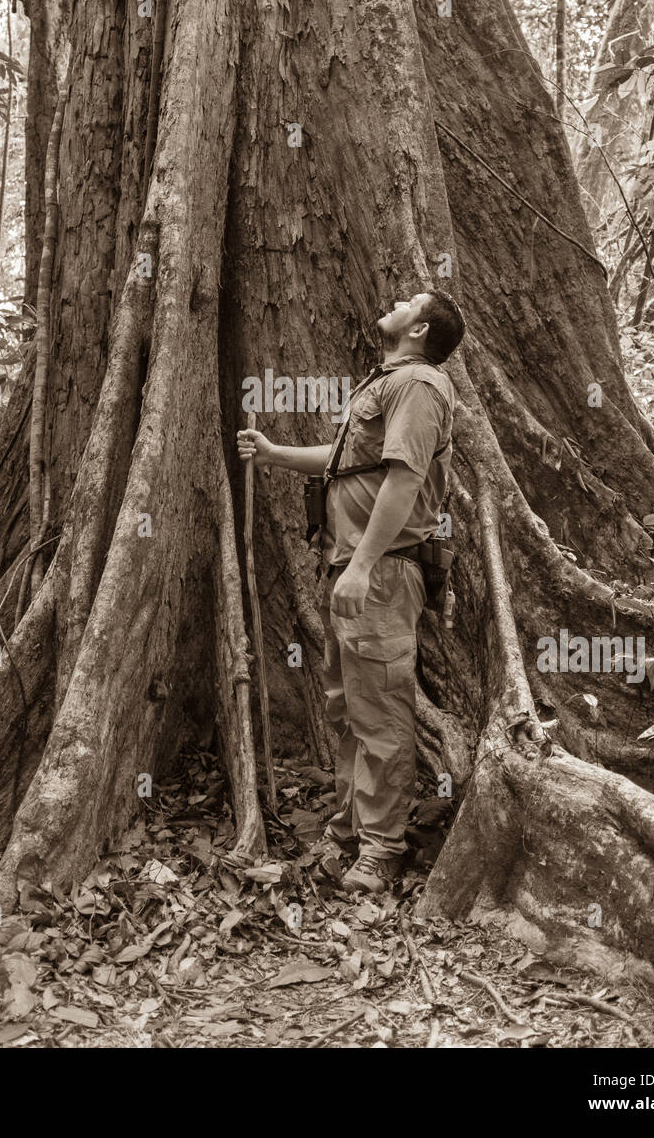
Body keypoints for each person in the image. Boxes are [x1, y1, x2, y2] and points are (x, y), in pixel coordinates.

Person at [237, 289, 464, 892]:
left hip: (381, 574)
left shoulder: (419, 384)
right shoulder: (387, 382)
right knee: (347, 711)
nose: (396, 303)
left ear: (420, 330)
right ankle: (349, 832)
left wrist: (362, 567)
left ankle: (382, 851)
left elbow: (404, 479)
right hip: (354, 571)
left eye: (409, 302)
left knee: (380, 713)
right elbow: (345, 463)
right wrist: (275, 455)